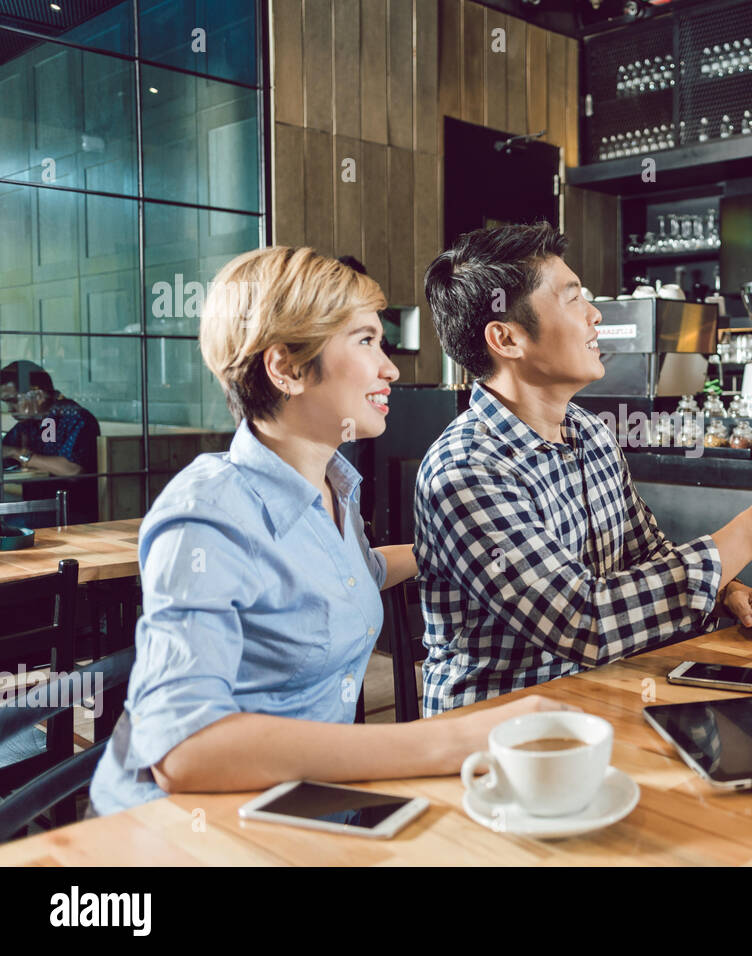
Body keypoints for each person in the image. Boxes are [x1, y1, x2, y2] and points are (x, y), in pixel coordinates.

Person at [89, 247, 570, 816]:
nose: (390, 368)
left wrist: (447, 544)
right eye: (366, 341)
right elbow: (183, 752)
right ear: (287, 368)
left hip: (300, 818)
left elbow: (346, 576)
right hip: (176, 838)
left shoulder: (332, 488)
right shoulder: (210, 513)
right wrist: (450, 739)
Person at [416, 223, 752, 715]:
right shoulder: (465, 471)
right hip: (495, 734)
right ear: (506, 338)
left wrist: (728, 593)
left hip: (605, 700)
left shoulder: (588, 432)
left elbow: (645, 556)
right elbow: (582, 622)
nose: (596, 316)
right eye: (573, 300)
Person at [1, 361, 101, 525]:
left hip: (72, 514)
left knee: (9, 526)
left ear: (38, 396)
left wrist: (18, 453)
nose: (9, 408)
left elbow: (73, 470)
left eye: (12, 400)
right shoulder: (29, 423)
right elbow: (5, 451)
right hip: (39, 508)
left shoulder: (76, 418)